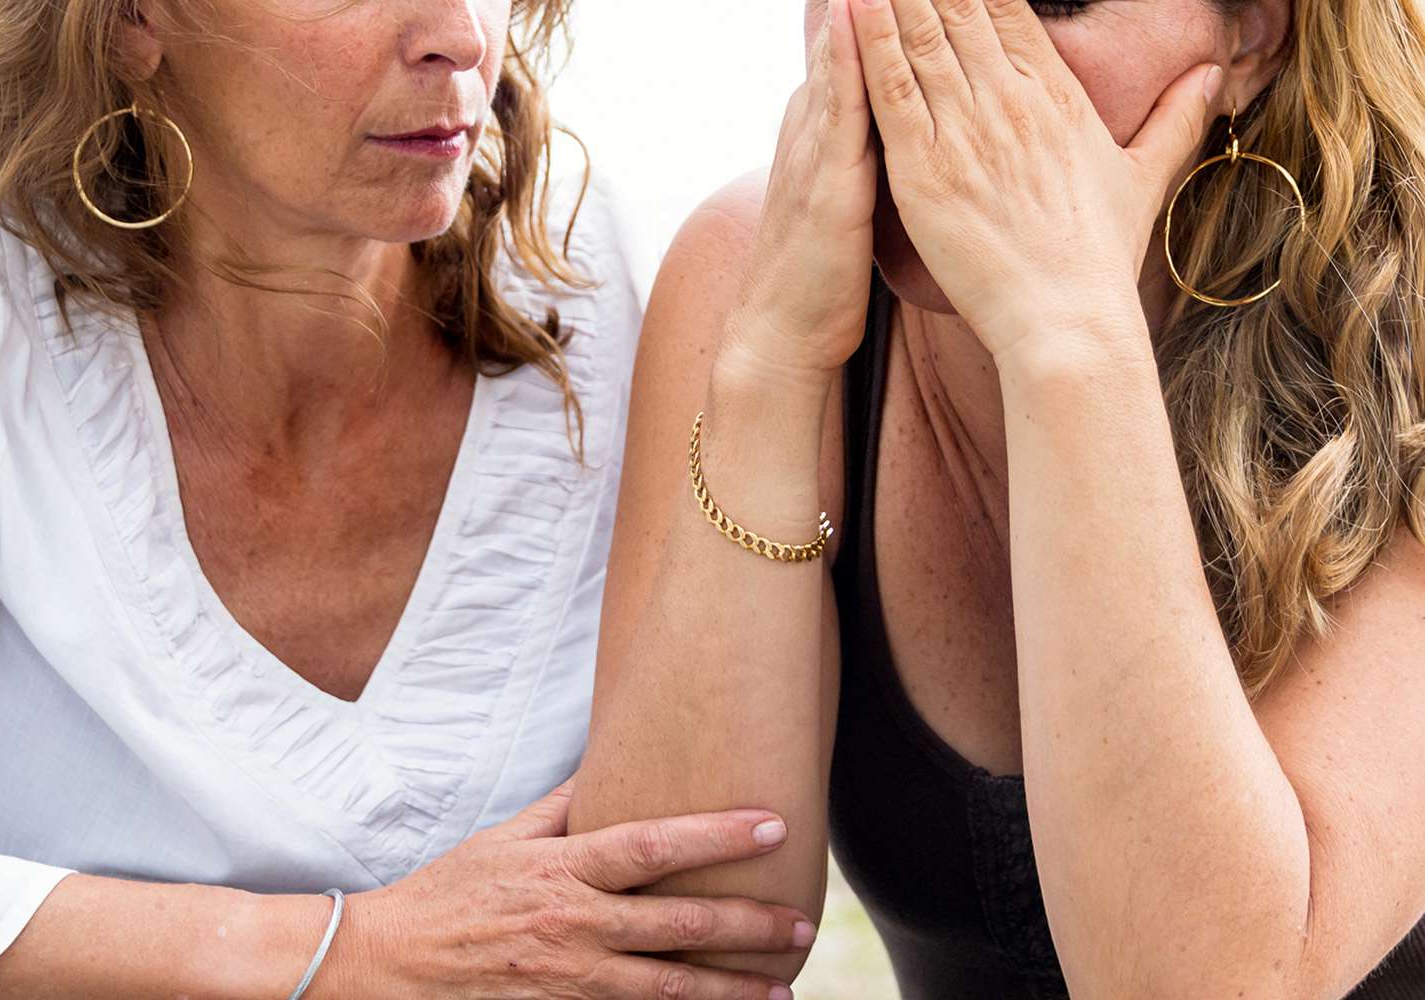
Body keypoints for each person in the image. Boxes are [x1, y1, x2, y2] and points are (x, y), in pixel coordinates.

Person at [0, 1, 816, 997]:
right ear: (129, 21)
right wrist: (354, 953)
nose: (463, 37)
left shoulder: (604, 267)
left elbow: (720, 928)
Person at [570, 0, 1425, 996]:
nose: (924, 62)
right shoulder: (751, 271)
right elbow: (667, 951)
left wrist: (1063, 326)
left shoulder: (1399, 318)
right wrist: (771, 371)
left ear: (1251, 36)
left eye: (1051, 4)